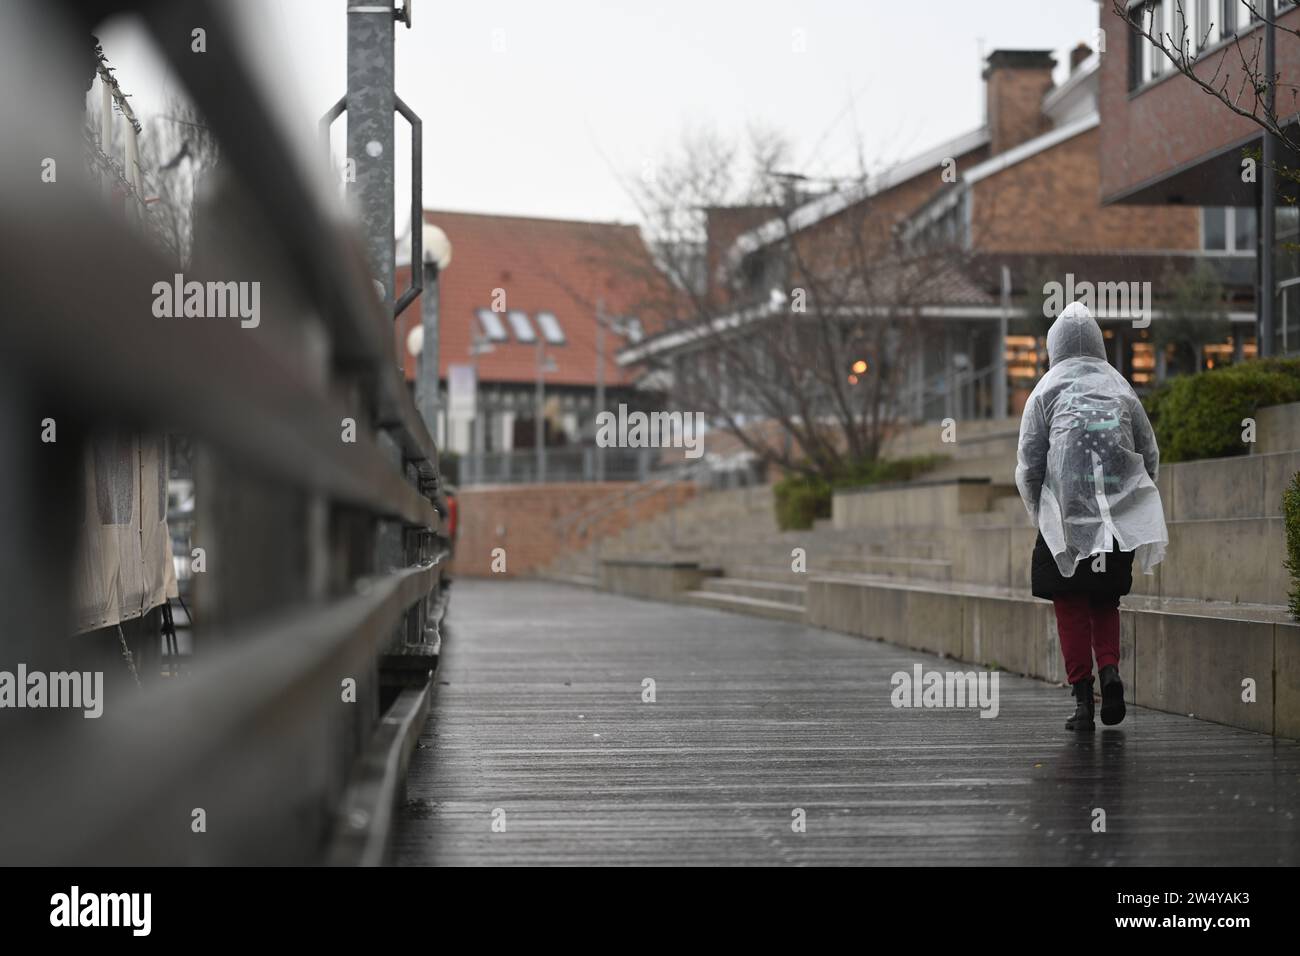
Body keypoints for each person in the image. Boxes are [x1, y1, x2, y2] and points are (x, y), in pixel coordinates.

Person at [1015, 302, 1168, 732]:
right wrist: (1133, 503)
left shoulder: (1045, 390)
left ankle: (1082, 700)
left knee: (1069, 606)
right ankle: (1111, 672)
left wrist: (1037, 512)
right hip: (1114, 518)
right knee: (1105, 600)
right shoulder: (1120, 387)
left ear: (1053, 346)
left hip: (1065, 520)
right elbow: (1148, 452)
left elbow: (1029, 463)